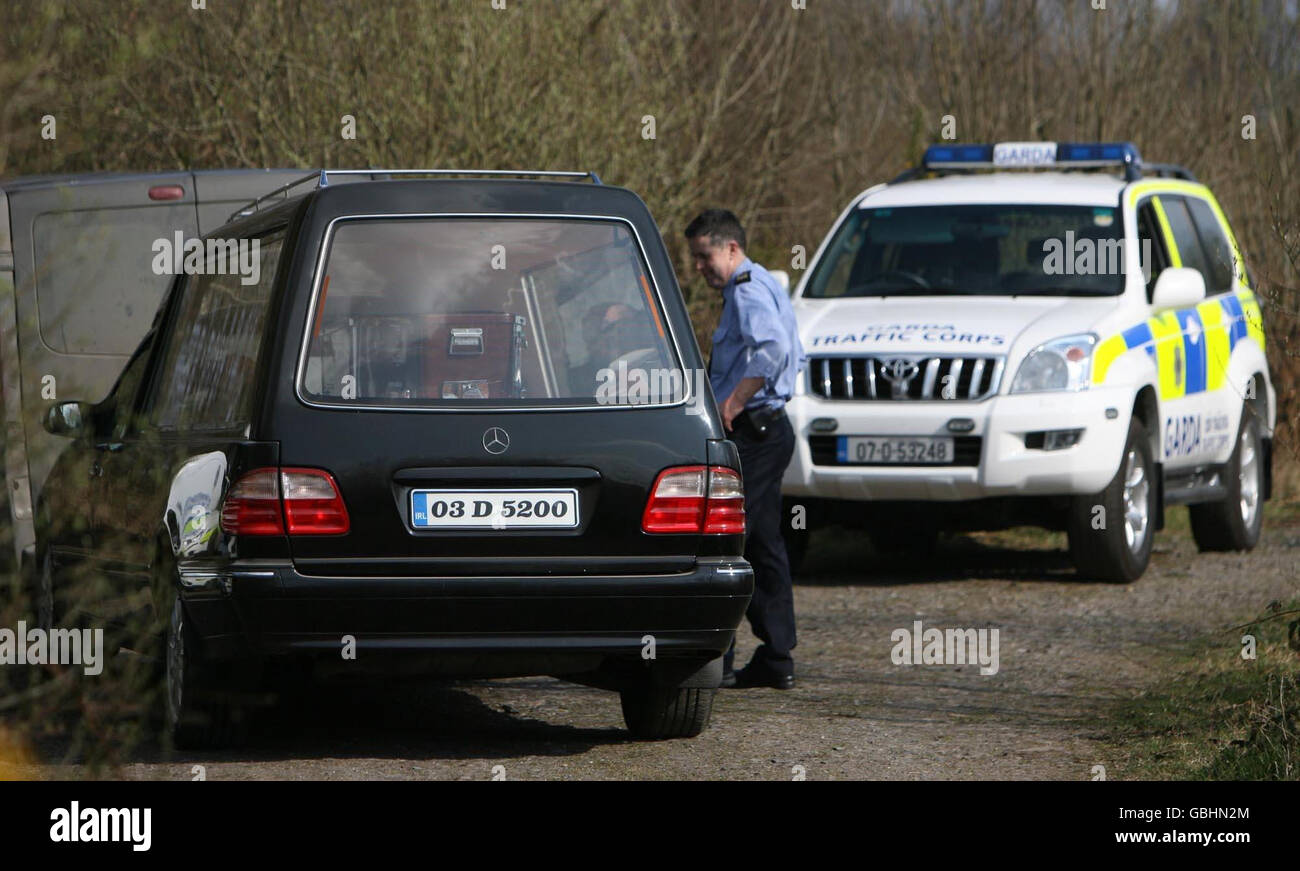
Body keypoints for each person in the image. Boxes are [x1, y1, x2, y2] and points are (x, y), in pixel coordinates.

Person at [685, 208, 806, 690]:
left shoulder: (748, 290)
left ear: (730, 248)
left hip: (754, 432)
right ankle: (775, 658)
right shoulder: (759, 283)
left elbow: (772, 349)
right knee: (761, 543)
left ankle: (718, 656)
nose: (698, 267)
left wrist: (732, 402)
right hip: (768, 431)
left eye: (703, 255)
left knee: (727, 540)